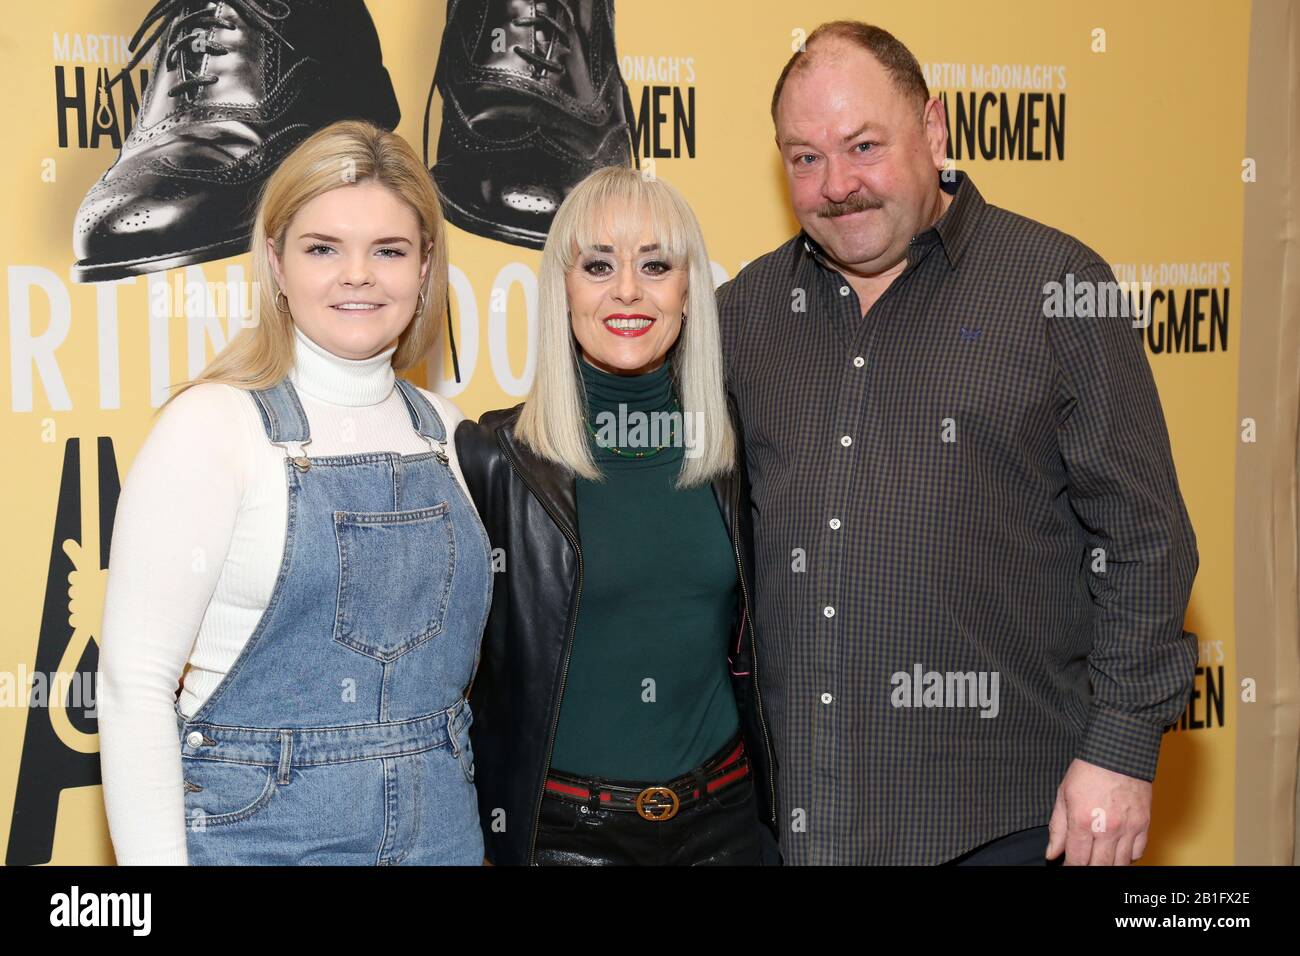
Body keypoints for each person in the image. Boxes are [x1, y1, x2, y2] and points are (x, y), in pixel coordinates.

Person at [715, 20, 1199, 866]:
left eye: (864, 145)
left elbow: (1147, 542)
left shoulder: (1057, 289)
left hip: (1006, 824)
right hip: (802, 823)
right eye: (805, 158)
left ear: (934, 130)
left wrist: (1121, 752)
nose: (838, 185)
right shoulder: (748, 314)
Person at [96, 120, 492, 865]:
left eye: (389, 250)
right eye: (323, 249)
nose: (358, 276)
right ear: (275, 261)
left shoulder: (451, 435)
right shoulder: (211, 427)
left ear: (426, 264)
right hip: (257, 841)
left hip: (443, 837)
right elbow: (132, 687)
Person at [455, 166, 779, 865]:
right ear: (563, 289)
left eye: (655, 264)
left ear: (689, 290)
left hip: (726, 825)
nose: (627, 290)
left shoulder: (736, 451)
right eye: (598, 265)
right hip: (564, 839)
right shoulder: (492, 461)